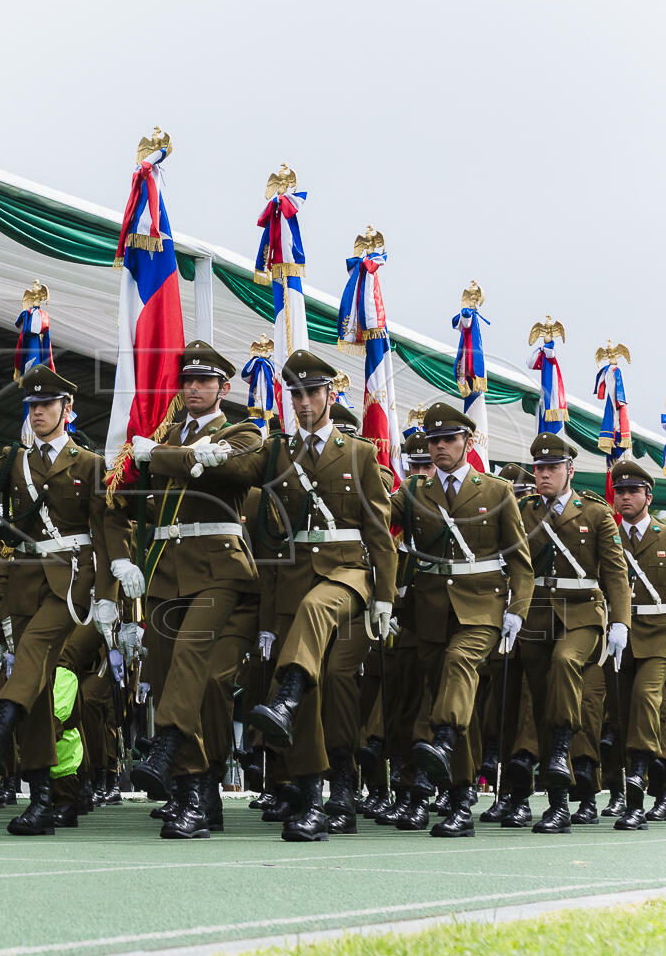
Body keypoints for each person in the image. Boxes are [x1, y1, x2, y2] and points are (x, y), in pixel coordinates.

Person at [0, 366, 133, 835]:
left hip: (71, 580)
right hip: (24, 579)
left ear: (67, 409)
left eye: (47, 405)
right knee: (37, 690)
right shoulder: (16, 460)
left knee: (34, 651)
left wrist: (109, 592)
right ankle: (44, 798)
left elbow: (108, 527)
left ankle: (0, 724)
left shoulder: (89, 463)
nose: (38, 413)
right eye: (32, 406)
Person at [245, 350, 397, 843]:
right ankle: (316, 800)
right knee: (317, 686)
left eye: (312, 392)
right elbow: (270, 539)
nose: (304, 402)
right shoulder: (277, 452)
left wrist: (385, 597)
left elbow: (379, 533)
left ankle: (343, 786)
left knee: (332, 671)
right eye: (296, 394)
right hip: (294, 580)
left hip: (348, 576)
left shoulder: (359, 453)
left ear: (331, 395)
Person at [122, 341, 265, 839]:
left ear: (224, 388)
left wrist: (161, 456)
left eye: (205, 381)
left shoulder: (243, 432)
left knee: (189, 657)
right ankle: (197, 793)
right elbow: (138, 500)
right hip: (166, 569)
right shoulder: (165, 434)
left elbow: (241, 469)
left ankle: (167, 749)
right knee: (170, 675)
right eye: (187, 380)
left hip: (218, 568)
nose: (194, 388)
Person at [387, 403, 534, 837]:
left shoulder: (496, 491)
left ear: (467, 442)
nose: (439, 447)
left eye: (448, 439)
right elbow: (378, 516)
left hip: (482, 607)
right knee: (449, 696)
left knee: (459, 665)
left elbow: (520, 563)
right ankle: (458, 801)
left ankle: (443, 742)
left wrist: (517, 611)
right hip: (430, 610)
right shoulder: (415, 490)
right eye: (433, 440)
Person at [503, 432, 631, 834]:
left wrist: (620, 622)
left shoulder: (595, 513)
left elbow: (615, 573)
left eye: (552, 467)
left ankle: (561, 752)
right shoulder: (522, 511)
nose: (544, 474)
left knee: (564, 662)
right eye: (539, 467)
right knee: (542, 702)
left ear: (570, 471)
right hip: (536, 613)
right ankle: (558, 804)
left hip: (582, 611)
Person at [602, 459, 666, 829]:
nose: (625, 497)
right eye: (620, 491)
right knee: (622, 714)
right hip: (618, 638)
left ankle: (637, 789)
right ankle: (644, 787)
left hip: (660, 636)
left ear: (648, 496)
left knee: (645, 697)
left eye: (633, 491)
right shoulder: (607, 536)